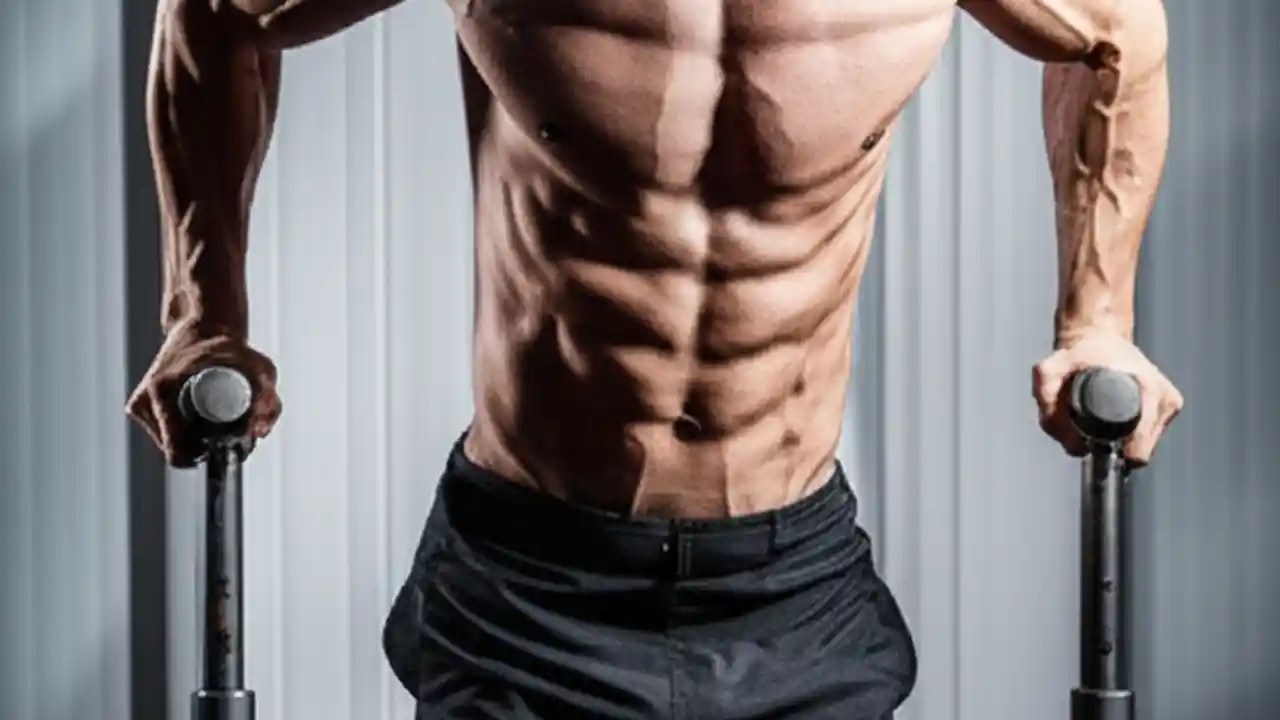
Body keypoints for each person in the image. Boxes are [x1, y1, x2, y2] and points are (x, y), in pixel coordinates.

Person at [127, 0, 1184, 717]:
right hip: (527, 589)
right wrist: (202, 311)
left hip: (790, 587)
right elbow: (220, 12)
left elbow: (1113, 32)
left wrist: (1095, 317)